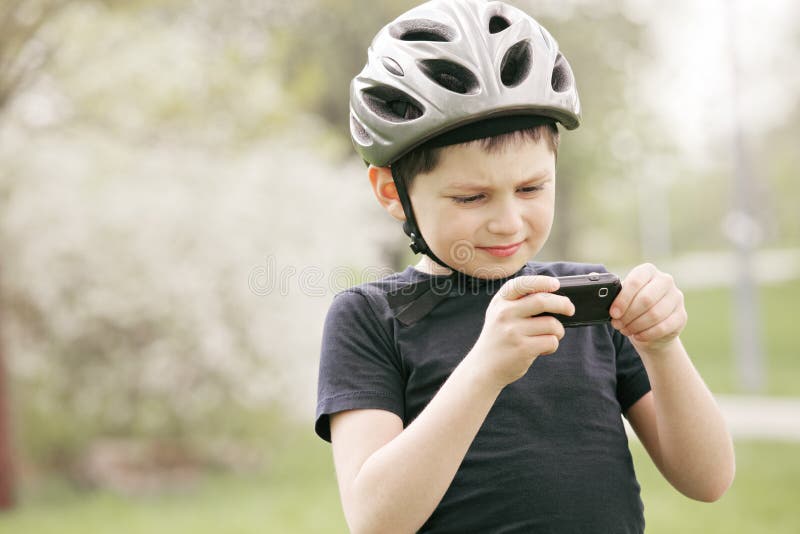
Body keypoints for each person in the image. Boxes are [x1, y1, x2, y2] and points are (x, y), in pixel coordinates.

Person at [315, 1, 735, 532]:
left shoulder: (588, 300)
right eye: (471, 197)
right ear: (392, 193)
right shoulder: (371, 319)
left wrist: (662, 347)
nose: (508, 222)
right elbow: (376, 520)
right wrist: (485, 369)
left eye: (531, 188)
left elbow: (709, 479)